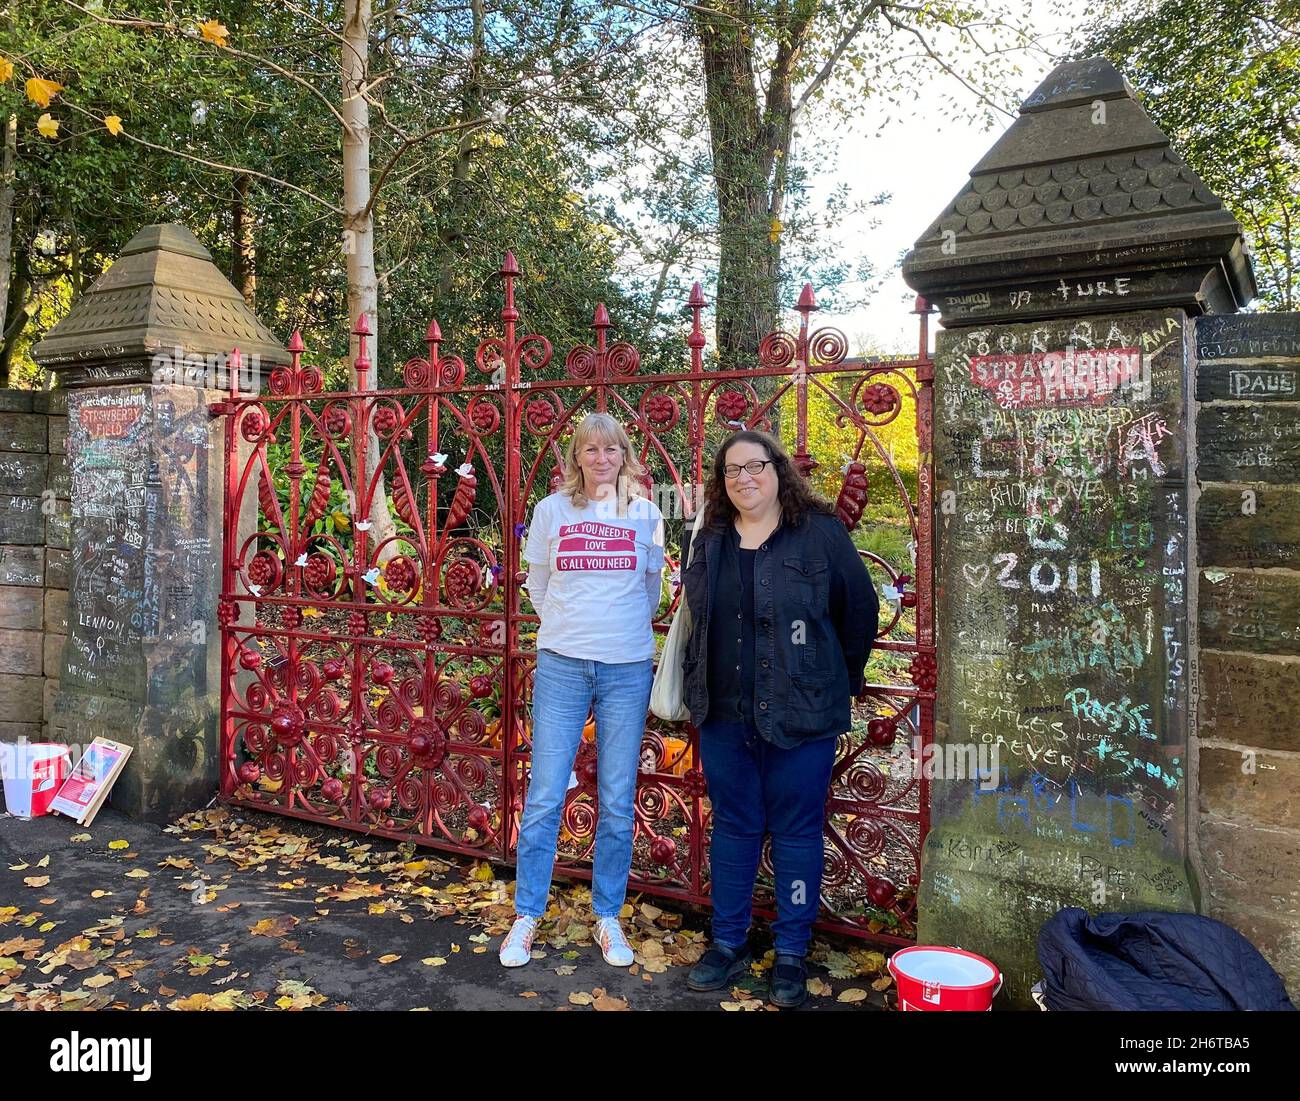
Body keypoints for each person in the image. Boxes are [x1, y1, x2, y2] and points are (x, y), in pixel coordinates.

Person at [679, 429, 878, 1008]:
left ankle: (792, 949)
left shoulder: (819, 535)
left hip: (802, 715)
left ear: (778, 470)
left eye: (754, 466)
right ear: (722, 484)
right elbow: (698, 617)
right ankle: (728, 941)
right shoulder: (711, 537)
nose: (744, 478)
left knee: (796, 832)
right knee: (735, 827)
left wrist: (828, 676)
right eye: (731, 471)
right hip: (723, 712)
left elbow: (857, 613)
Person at [499, 412, 664, 968]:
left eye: (611, 449)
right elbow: (538, 583)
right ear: (576, 457)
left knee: (617, 797)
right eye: (590, 450)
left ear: (624, 456)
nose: (601, 459)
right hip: (564, 665)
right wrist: (571, 628)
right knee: (546, 792)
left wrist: (616, 631)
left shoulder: (645, 514)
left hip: (627, 668)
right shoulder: (551, 511)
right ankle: (527, 915)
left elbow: (651, 588)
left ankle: (608, 915)